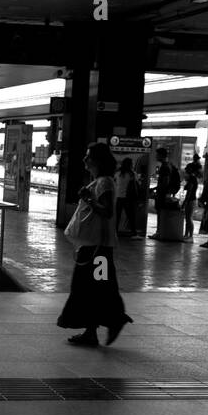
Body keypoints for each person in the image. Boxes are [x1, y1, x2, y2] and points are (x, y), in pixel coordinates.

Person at [57, 142, 132, 348]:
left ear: (98, 160)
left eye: (88, 156)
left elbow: (106, 211)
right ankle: (92, 332)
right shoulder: (100, 181)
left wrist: (89, 199)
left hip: (99, 250)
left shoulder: (105, 183)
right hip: (92, 248)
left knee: (99, 287)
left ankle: (114, 320)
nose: (85, 160)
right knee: (90, 288)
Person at [151, 146, 179, 237]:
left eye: (157, 154)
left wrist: (158, 190)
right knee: (161, 213)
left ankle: (159, 232)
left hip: (162, 194)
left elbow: (165, 181)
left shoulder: (165, 167)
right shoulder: (168, 165)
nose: (156, 156)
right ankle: (160, 232)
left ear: (161, 155)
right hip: (164, 193)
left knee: (161, 213)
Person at [114, 156, 139, 238]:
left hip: (118, 197)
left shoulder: (117, 173)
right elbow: (135, 185)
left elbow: (114, 183)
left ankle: (115, 232)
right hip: (127, 197)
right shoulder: (132, 174)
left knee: (117, 216)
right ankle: (134, 233)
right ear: (130, 165)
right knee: (130, 216)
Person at [182, 155, 202, 242]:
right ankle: (186, 235)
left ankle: (190, 236)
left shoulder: (192, 179)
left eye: (187, 169)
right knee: (187, 218)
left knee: (189, 218)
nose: (186, 171)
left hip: (191, 200)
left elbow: (189, 192)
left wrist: (184, 202)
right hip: (191, 200)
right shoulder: (191, 179)